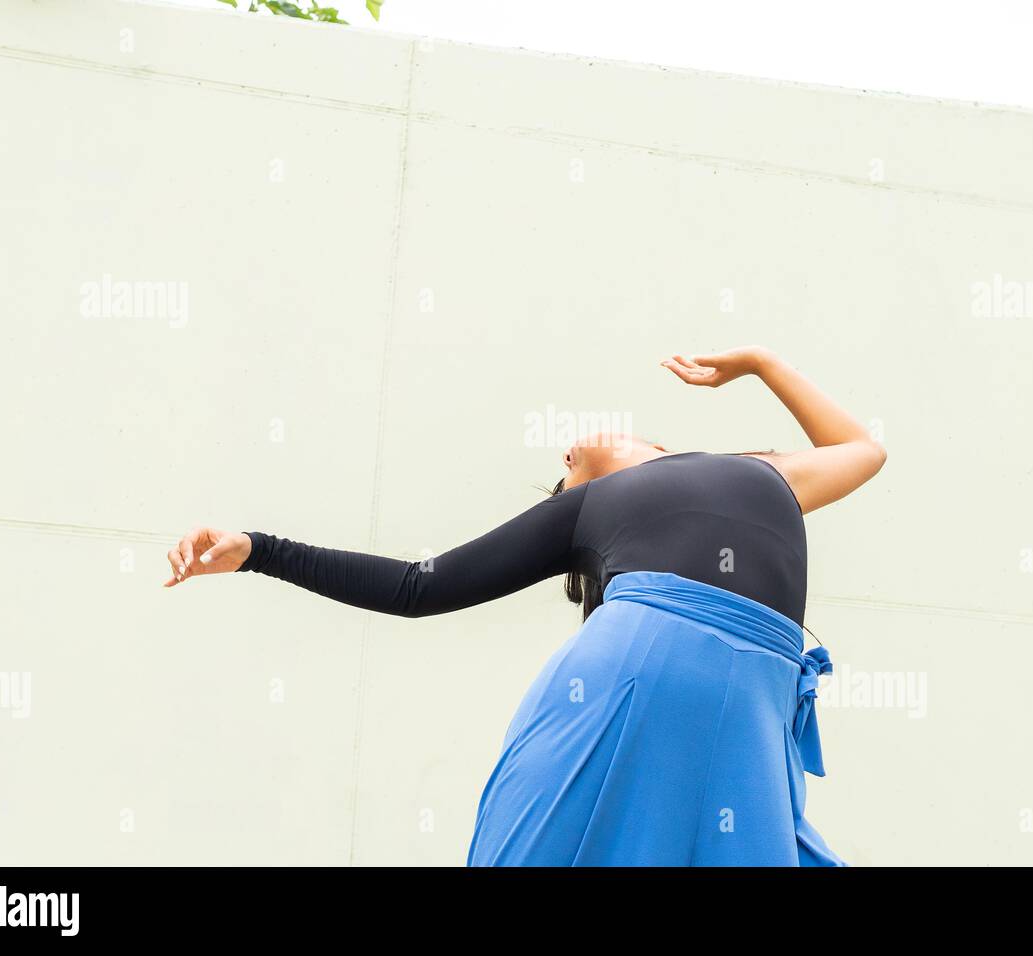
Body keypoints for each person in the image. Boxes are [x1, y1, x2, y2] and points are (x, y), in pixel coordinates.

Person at [165, 346, 886, 865]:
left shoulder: (761, 470)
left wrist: (761, 363)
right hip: (642, 656)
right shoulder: (589, 509)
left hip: (760, 691)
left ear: (659, 442)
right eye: (563, 470)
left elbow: (863, 448)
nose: (568, 458)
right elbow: (420, 586)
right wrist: (259, 549)